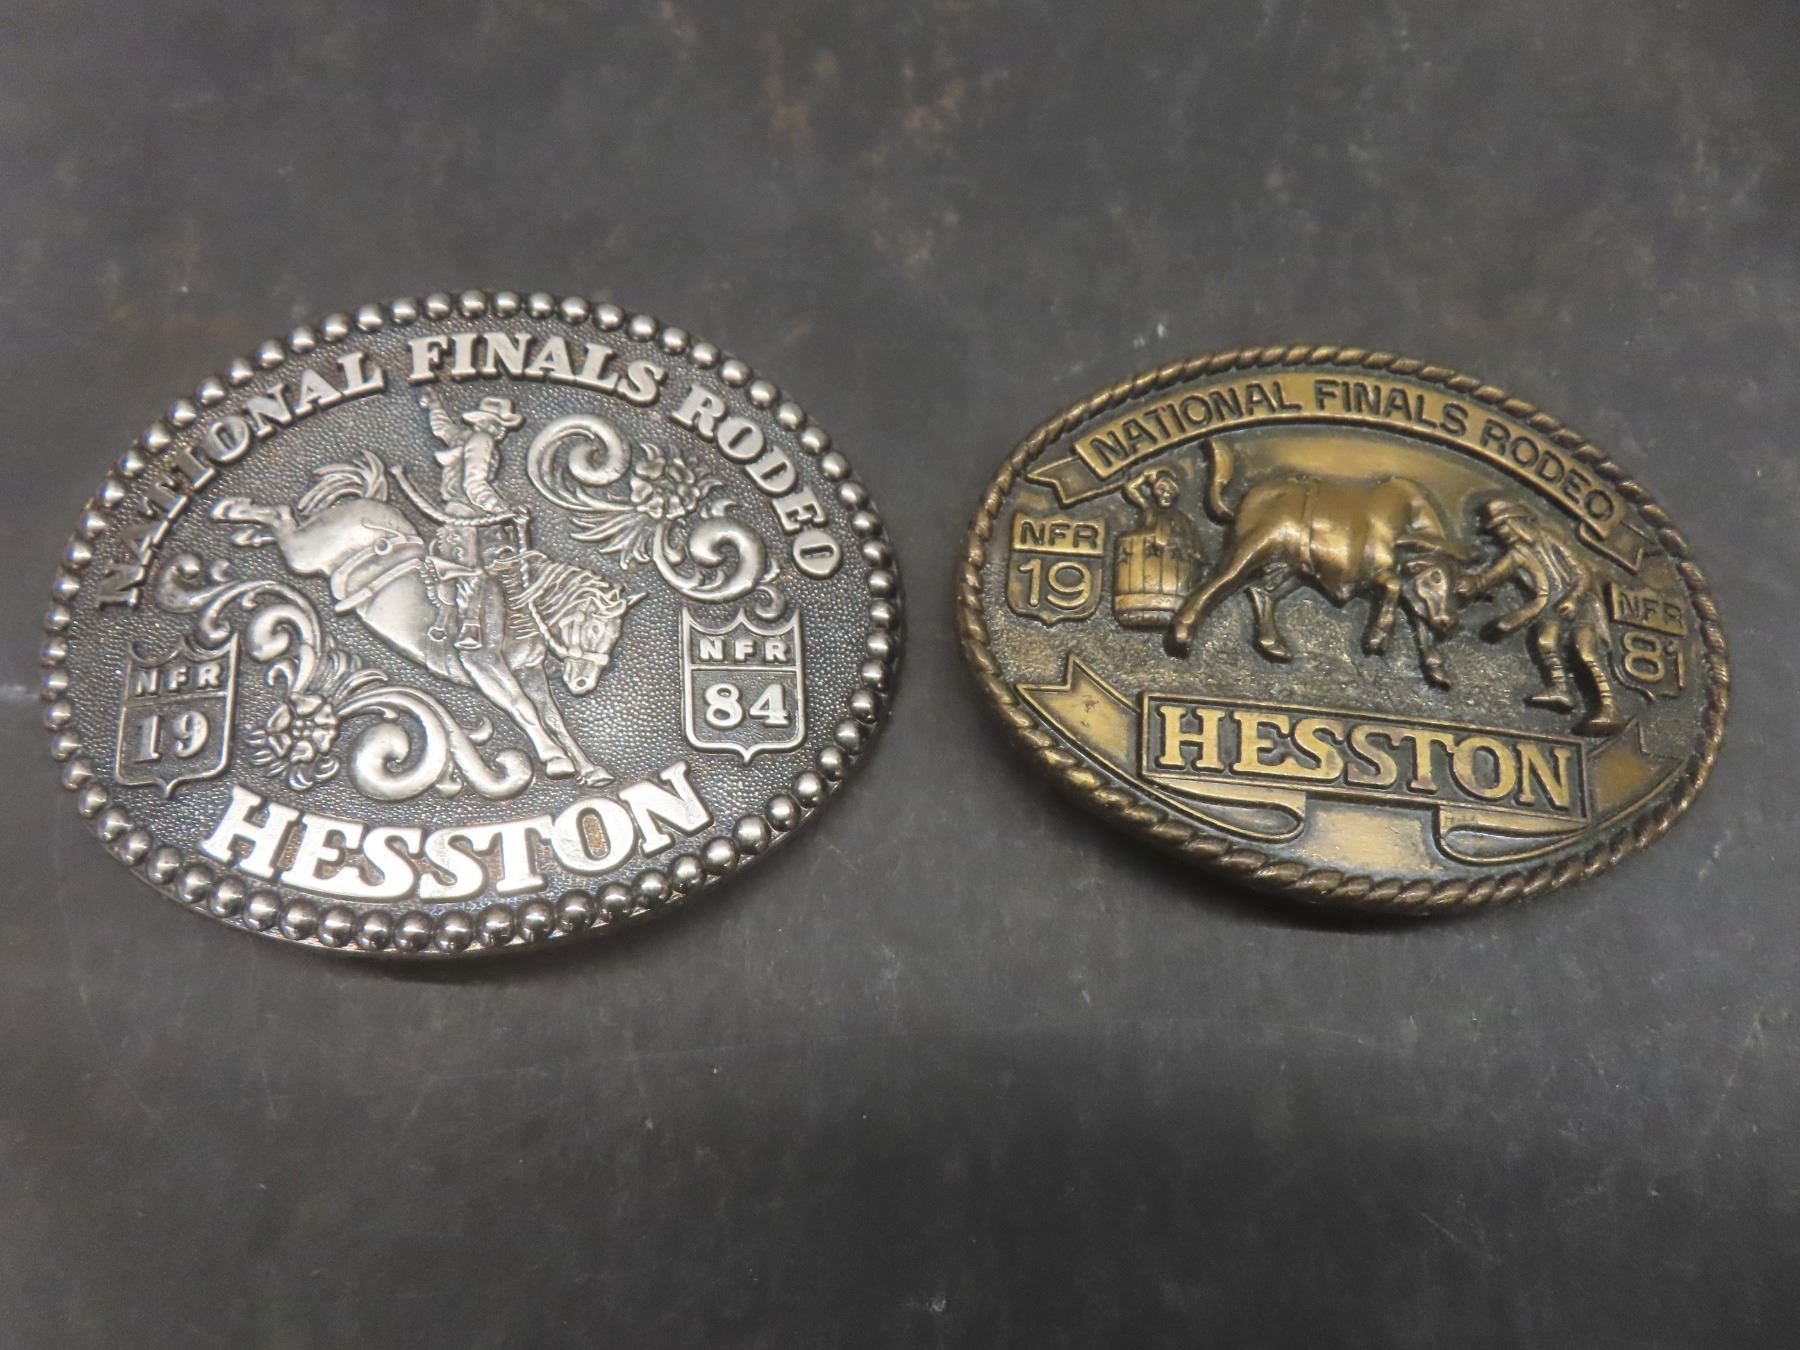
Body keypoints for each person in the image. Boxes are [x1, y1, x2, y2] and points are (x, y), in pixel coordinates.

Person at [1457, 496, 1626, 735]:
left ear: (1517, 522)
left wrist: (1574, 598)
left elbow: (1582, 572)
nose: (1501, 534)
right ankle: (1561, 689)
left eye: (1503, 526)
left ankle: (1610, 707)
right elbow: (1494, 576)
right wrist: (1473, 584)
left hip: (1579, 606)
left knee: (1585, 652)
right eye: (1496, 531)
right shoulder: (1517, 555)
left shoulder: (1551, 541)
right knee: (1545, 642)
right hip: (1548, 608)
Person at [419, 393, 529, 650]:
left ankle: (446, 617)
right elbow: (475, 485)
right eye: (501, 424)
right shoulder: (483, 441)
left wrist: (435, 404)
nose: (502, 431)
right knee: (474, 568)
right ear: (490, 423)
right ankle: (469, 627)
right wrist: (504, 510)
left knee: (459, 563)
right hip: (471, 513)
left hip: (455, 511)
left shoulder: (463, 436)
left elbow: (442, 427)